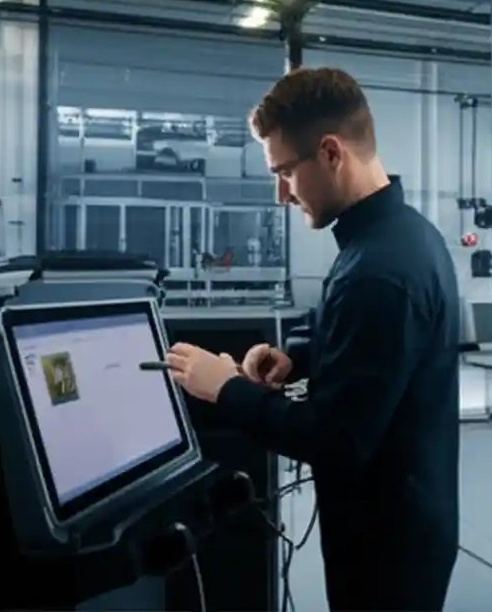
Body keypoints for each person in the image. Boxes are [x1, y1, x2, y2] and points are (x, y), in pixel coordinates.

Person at [164, 67, 461, 611]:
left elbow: (336, 441)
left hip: (386, 550)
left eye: (284, 172)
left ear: (329, 153)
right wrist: (294, 357)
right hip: (407, 522)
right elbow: (361, 344)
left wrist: (225, 388)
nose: (282, 194)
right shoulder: (397, 238)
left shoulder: (379, 270)